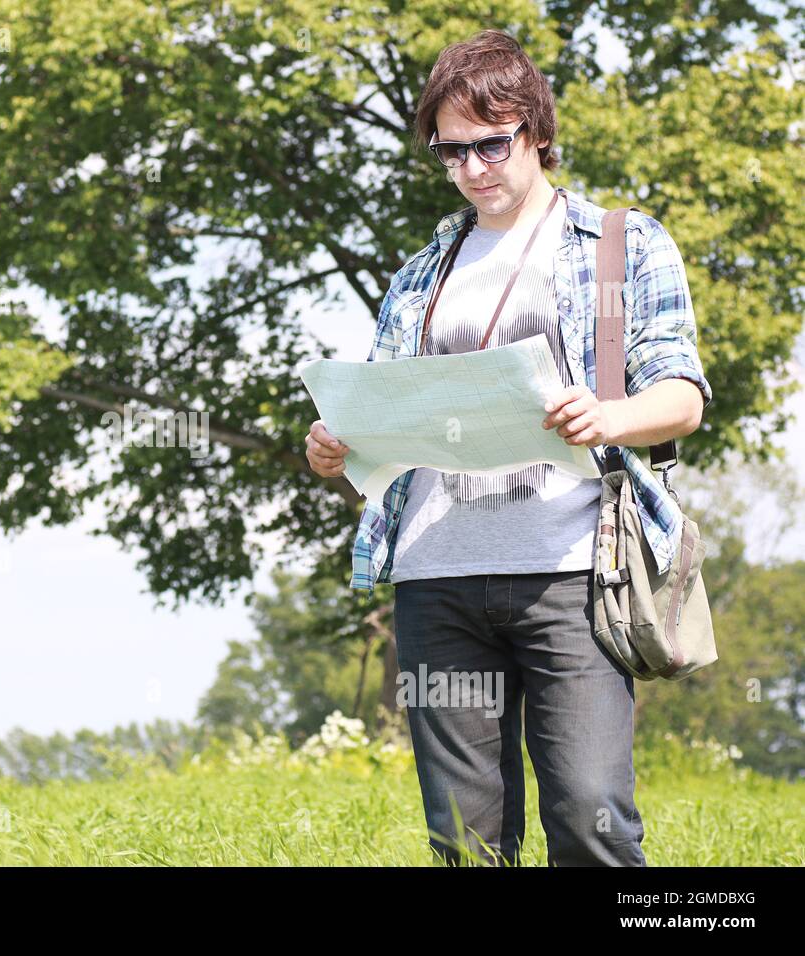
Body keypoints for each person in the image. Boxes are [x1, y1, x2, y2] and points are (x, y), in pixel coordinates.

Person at [305, 29, 712, 867]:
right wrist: (337, 444)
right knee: (464, 835)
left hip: (571, 569)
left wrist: (610, 417)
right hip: (436, 571)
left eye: (492, 144)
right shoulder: (423, 271)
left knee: (591, 812)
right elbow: (386, 407)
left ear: (537, 132)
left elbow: (682, 396)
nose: (473, 168)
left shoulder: (619, 243)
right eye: (452, 152)